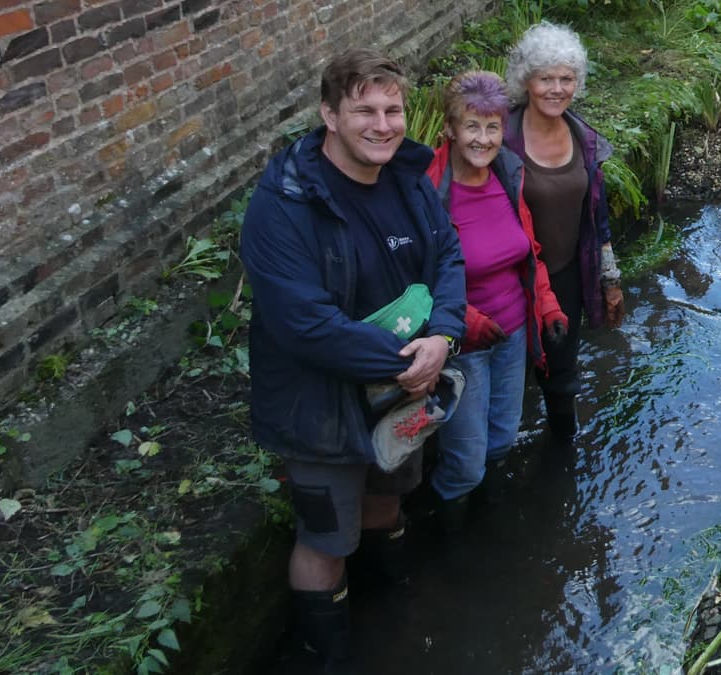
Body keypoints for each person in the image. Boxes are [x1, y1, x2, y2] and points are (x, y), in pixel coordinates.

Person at [239, 48, 466, 671]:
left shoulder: (407, 181)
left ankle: (392, 610)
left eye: (392, 109)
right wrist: (406, 360)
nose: (383, 124)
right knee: (325, 539)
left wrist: (443, 335)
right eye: (364, 109)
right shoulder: (283, 205)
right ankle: (330, 654)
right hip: (321, 409)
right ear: (329, 115)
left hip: (402, 392)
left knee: (389, 496)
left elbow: (447, 257)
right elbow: (304, 324)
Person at [424, 70, 568, 529]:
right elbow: (412, 278)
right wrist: (461, 320)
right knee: (465, 460)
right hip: (461, 344)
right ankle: (450, 547)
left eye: (492, 127)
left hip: (513, 333)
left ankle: (489, 531)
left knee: (502, 439)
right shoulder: (428, 188)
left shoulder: (507, 173)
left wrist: (546, 305)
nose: (483, 139)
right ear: (450, 128)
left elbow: (529, 253)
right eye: (472, 127)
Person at [504, 21, 625, 441]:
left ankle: (560, 463)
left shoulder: (584, 140)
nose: (557, 89)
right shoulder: (500, 140)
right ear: (526, 81)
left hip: (568, 277)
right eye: (546, 78)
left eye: (566, 79)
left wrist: (611, 281)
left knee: (562, 377)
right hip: (510, 282)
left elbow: (598, 219)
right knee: (507, 375)